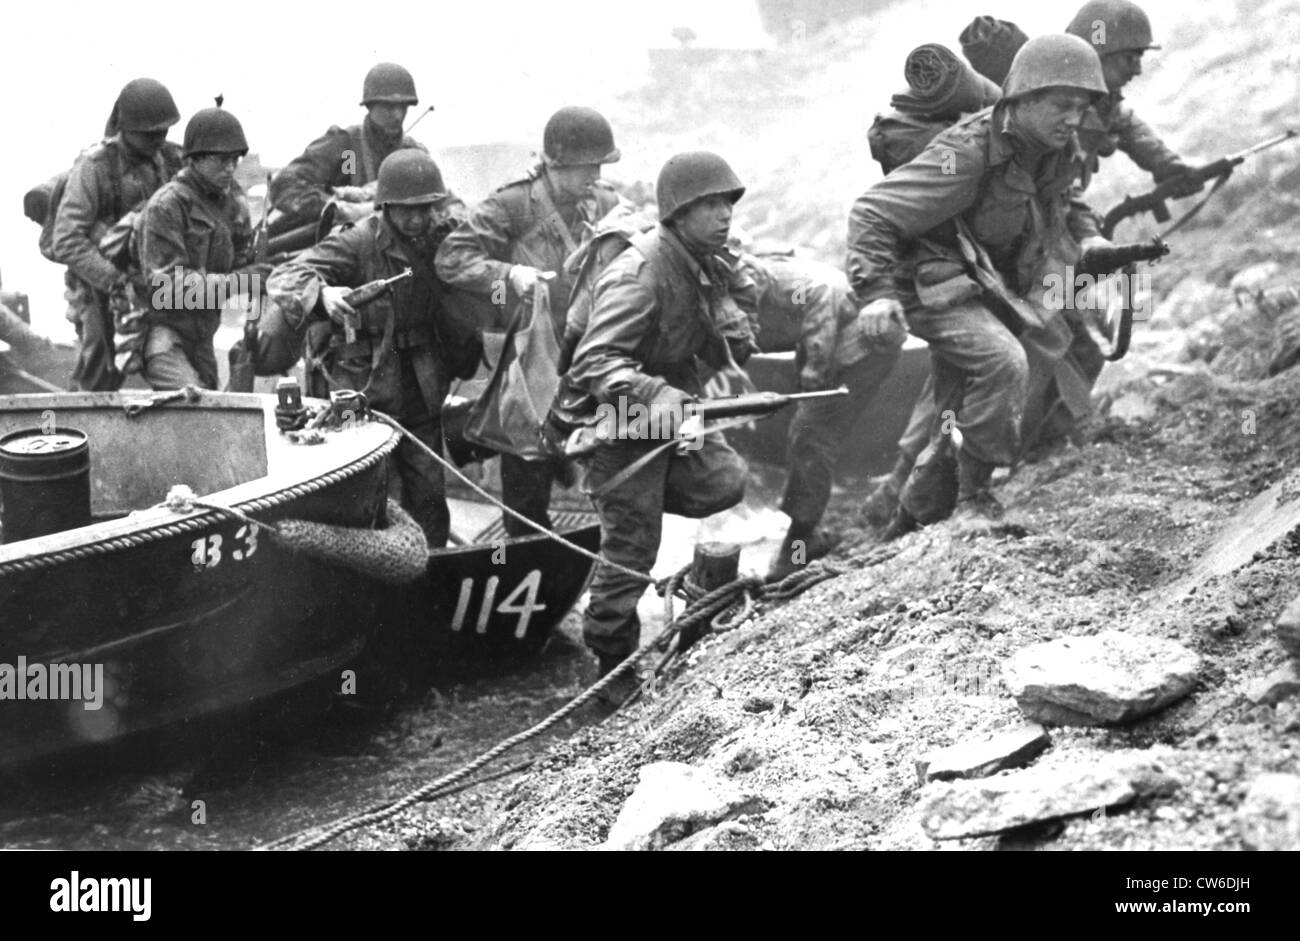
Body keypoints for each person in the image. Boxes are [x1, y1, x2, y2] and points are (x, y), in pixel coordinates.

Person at [846, 33, 1111, 538]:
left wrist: (1091, 239)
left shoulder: (1054, 148)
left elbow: (1067, 200)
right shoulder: (966, 153)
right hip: (928, 282)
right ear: (1023, 100)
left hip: (985, 282)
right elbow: (872, 213)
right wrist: (876, 293)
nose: (1074, 119)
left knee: (951, 405)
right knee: (1001, 360)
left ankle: (905, 520)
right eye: (1062, 106)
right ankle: (973, 498)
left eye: (1081, 108)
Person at [567, 151, 757, 704]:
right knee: (631, 544)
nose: (725, 216)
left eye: (728, 203)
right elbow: (594, 363)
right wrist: (658, 397)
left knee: (724, 480)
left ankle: (632, 507)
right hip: (621, 413)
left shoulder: (705, 263)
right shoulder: (639, 272)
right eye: (710, 205)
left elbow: (731, 338)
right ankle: (611, 665)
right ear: (678, 212)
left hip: (672, 410)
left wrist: (730, 322)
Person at [267, 150, 479, 547]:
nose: (417, 219)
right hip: (364, 385)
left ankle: (429, 571)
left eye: (425, 208)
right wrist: (324, 294)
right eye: (405, 210)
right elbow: (288, 275)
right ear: (386, 206)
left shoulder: (441, 235)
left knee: (430, 491)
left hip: (421, 383)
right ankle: (380, 566)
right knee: (375, 493)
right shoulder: (359, 241)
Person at [436, 106, 623, 536]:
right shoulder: (514, 204)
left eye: (599, 165)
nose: (594, 174)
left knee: (602, 452)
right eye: (585, 166)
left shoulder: (602, 202)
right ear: (556, 164)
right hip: (532, 355)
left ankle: (606, 555)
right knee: (526, 466)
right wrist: (508, 275)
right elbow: (451, 257)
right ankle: (526, 551)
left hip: (585, 354)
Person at [725, 242, 906, 578]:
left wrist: (814, 373)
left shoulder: (768, 281)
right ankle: (805, 533)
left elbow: (825, 292)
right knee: (810, 433)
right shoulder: (745, 282)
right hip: (835, 344)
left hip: (861, 346)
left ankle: (799, 546)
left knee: (810, 434)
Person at [52, 78, 183, 391]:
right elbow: (66, 240)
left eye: (163, 132)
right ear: (126, 127)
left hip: (150, 283)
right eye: (150, 133)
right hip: (100, 287)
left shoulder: (165, 161)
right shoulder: (95, 167)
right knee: (99, 370)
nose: (159, 139)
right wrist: (115, 282)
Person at [138, 107, 264, 391]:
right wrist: (244, 281)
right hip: (162, 337)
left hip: (203, 338)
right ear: (195, 159)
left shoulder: (232, 201)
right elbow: (165, 291)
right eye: (221, 160)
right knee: (199, 411)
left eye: (235, 160)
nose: (230, 168)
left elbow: (241, 260)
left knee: (217, 410)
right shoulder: (167, 206)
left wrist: (267, 268)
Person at [268, 63, 428, 233]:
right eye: (389, 107)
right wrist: (334, 209)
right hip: (340, 244)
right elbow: (284, 184)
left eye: (403, 107)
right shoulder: (345, 146)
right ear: (370, 106)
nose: (397, 115)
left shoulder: (415, 154)